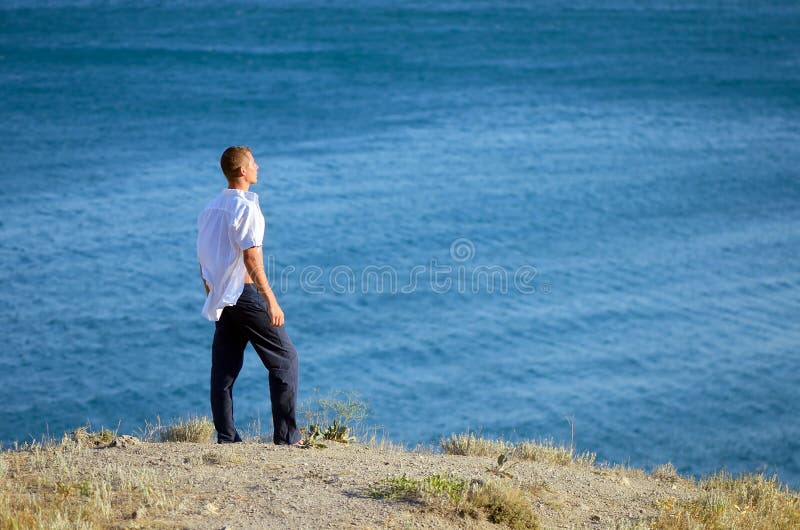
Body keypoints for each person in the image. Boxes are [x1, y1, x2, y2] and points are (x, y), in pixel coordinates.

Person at [196, 146, 301, 445]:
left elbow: (204, 258)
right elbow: (252, 260)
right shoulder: (246, 208)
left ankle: (227, 437)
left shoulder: (210, 209)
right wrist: (271, 299)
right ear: (243, 171)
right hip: (245, 294)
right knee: (285, 359)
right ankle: (287, 437)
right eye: (254, 163)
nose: (259, 167)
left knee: (224, 370)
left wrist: (212, 293)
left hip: (223, 296)